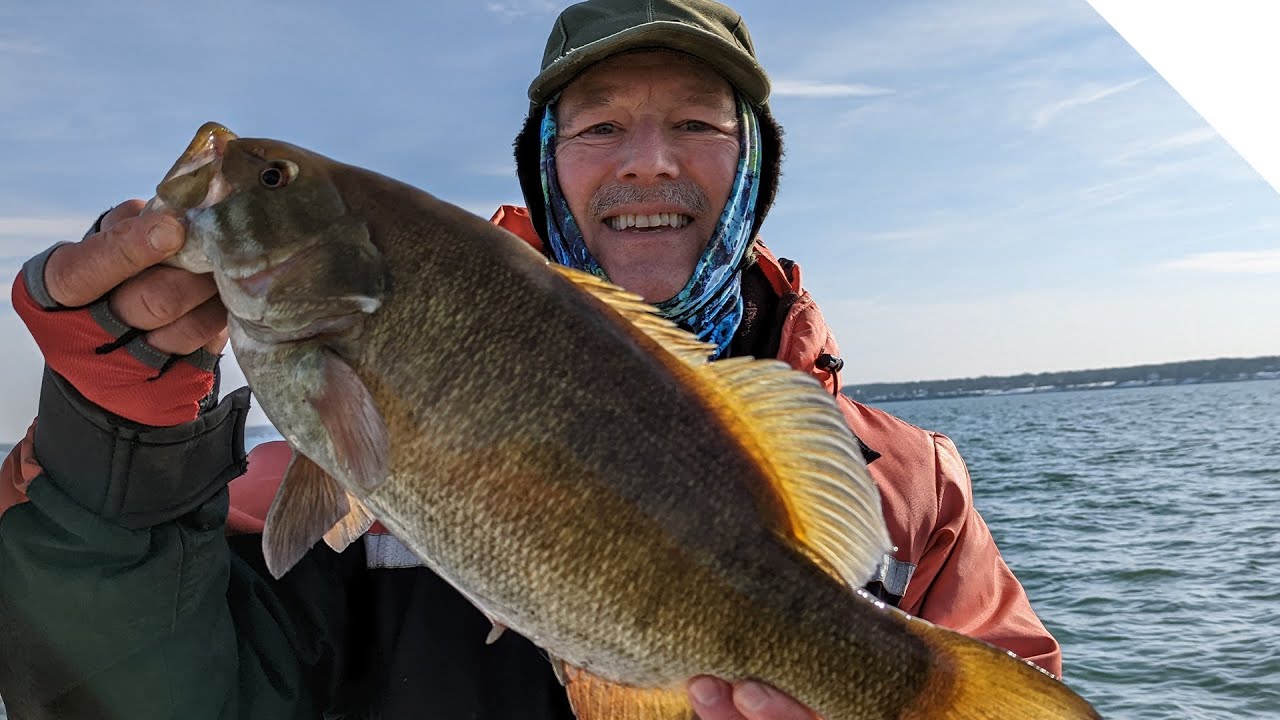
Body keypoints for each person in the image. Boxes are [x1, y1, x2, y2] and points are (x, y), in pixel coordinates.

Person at [0, 0, 1062, 718]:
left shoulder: (916, 491)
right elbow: (137, 693)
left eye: (695, 122)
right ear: (546, 167)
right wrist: (116, 451)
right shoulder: (306, 476)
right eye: (597, 128)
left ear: (752, 165)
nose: (646, 160)